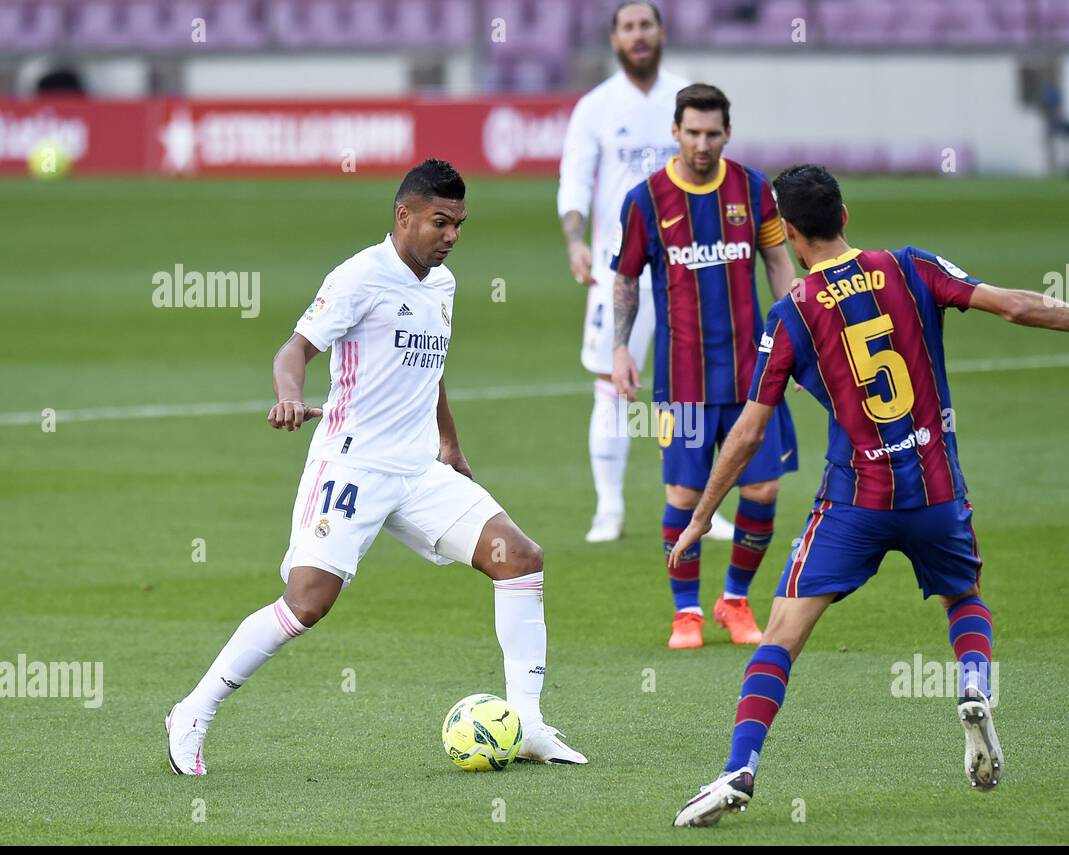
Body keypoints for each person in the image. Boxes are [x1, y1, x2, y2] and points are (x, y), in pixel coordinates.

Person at [671, 164, 1069, 826]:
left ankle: (740, 766)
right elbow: (1016, 304)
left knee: (781, 637)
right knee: (964, 598)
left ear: (792, 235)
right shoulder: (910, 266)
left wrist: (701, 514)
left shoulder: (793, 312)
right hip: (937, 493)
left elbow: (747, 434)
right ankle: (973, 679)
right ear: (846, 214)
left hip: (854, 504)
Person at [165, 159, 587, 775]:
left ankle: (525, 725)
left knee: (519, 559)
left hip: (418, 470)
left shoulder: (441, 286)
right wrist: (288, 393)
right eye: (440, 222)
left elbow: (432, 370)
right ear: (404, 215)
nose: (451, 236)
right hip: (352, 466)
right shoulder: (359, 278)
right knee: (307, 603)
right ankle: (193, 711)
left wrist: (452, 445)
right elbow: (294, 350)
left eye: (460, 225)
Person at [610, 84, 799, 650]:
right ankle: (686, 613)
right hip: (683, 382)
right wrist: (620, 349)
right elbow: (625, 280)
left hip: (753, 376)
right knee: (684, 498)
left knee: (762, 489)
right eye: (691, 132)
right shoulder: (645, 200)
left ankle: (735, 601)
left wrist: (796, 330)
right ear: (675, 132)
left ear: (727, 134)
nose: (701, 143)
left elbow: (777, 261)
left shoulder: (753, 189)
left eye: (712, 133)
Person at [557, 1, 734, 545]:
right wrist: (575, 240)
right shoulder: (595, 107)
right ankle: (609, 508)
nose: (638, 36)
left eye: (646, 26)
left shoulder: (688, 98)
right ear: (614, 39)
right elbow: (575, 179)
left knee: (695, 388)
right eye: (628, 27)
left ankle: (703, 506)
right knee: (613, 383)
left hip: (689, 264)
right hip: (621, 267)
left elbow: (718, 174)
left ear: (661, 32)